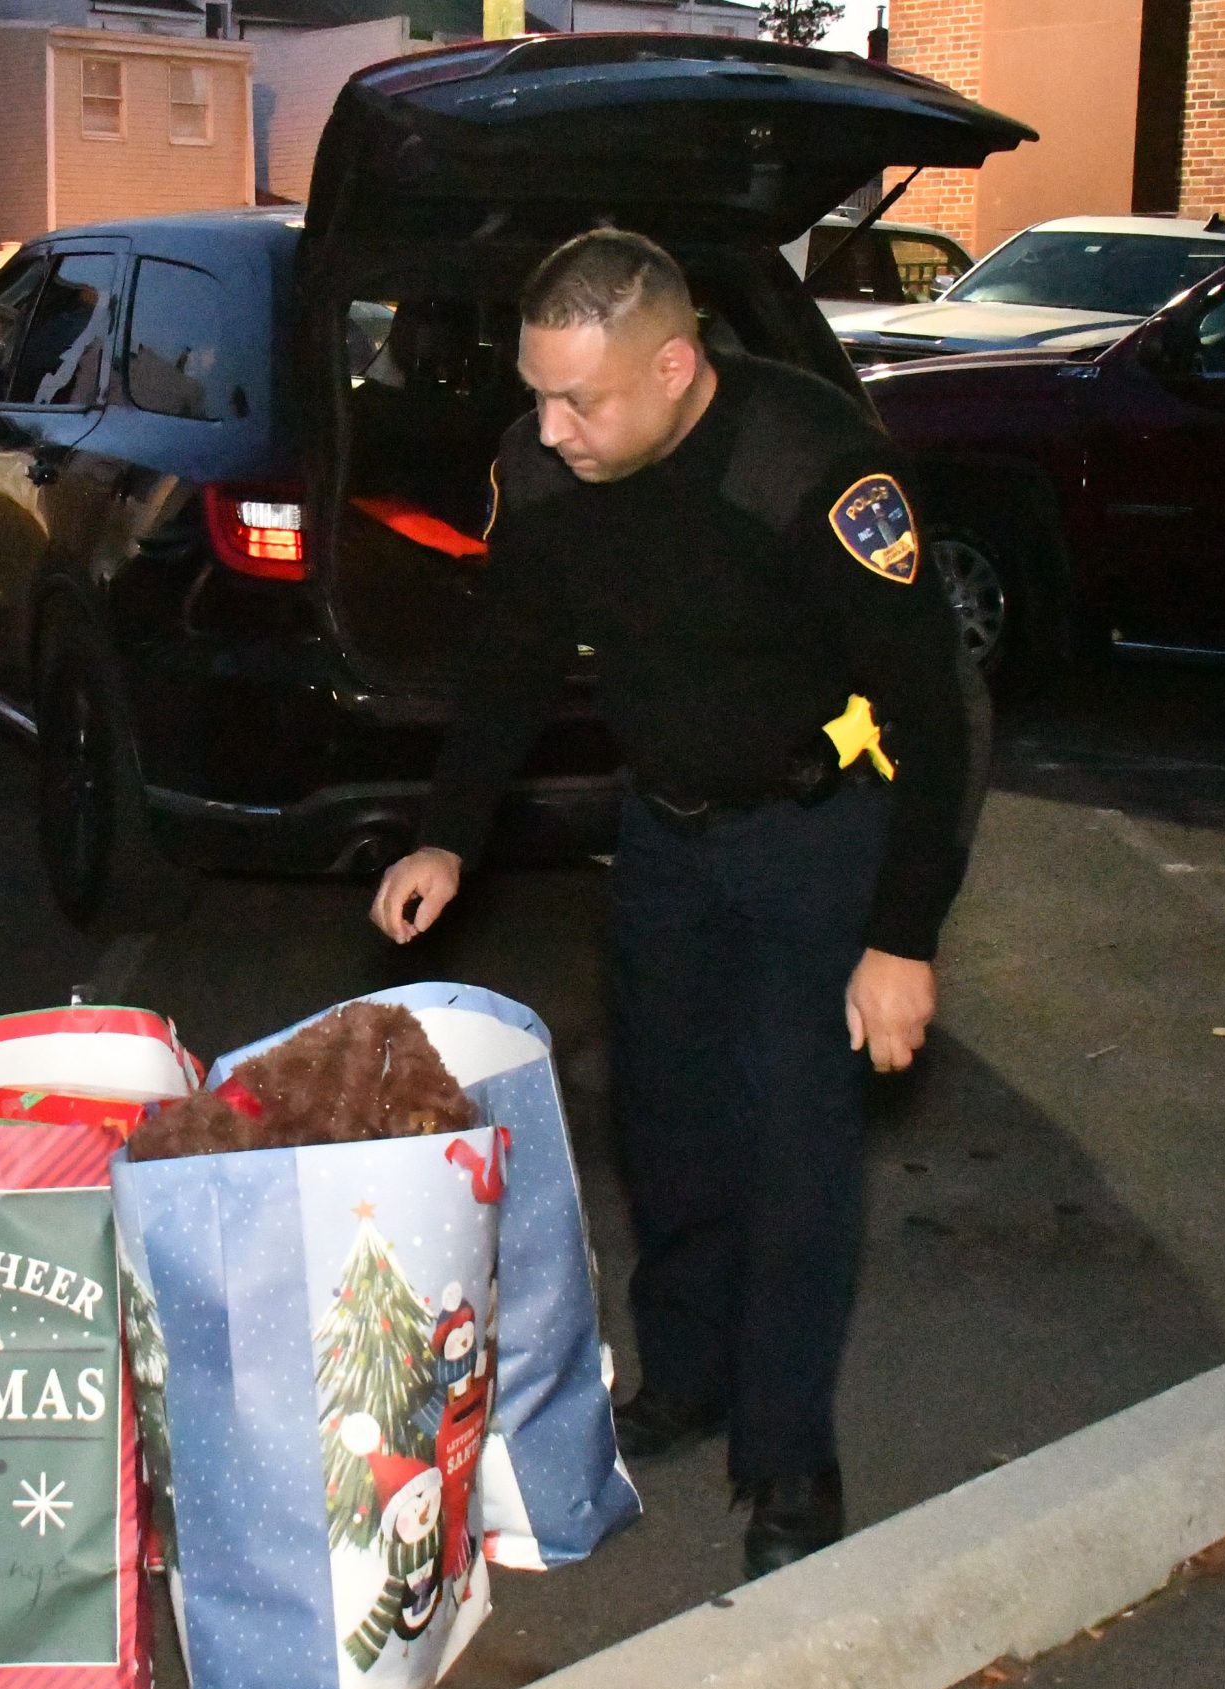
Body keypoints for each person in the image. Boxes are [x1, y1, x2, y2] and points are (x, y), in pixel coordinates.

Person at [370, 230, 982, 1578]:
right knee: (665, 1123)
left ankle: (788, 1454)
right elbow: (514, 655)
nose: (550, 426)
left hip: (812, 840)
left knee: (794, 1145)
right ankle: (690, 1377)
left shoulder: (810, 469)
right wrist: (448, 838)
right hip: (663, 840)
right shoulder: (545, 466)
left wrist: (903, 934)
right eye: (537, 392)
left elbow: (938, 712)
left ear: (675, 364)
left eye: (581, 399)